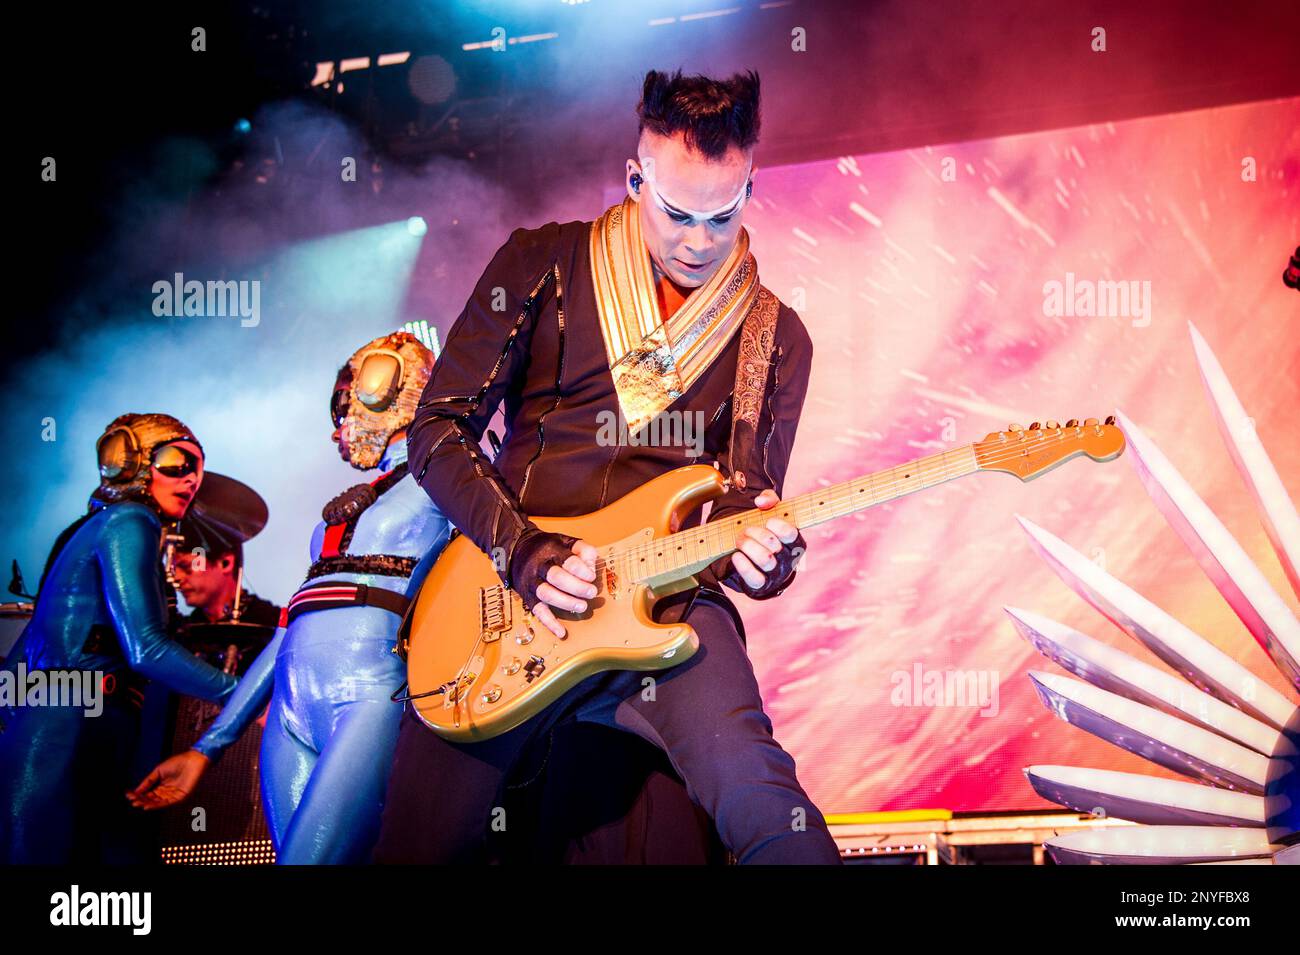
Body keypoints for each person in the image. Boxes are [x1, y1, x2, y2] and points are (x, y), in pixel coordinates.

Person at [375, 69, 841, 864]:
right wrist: (521, 552)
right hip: (504, 600)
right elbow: (438, 430)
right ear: (635, 178)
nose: (699, 241)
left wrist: (767, 559)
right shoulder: (542, 261)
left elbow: (742, 503)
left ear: (751, 186)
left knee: (764, 803)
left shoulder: (776, 335)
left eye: (724, 216)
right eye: (677, 212)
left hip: (665, 608)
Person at [128, 332, 454, 864]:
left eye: (343, 405)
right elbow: (286, 633)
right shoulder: (354, 509)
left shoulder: (443, 475)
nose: (336, 431)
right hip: (289, 710)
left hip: (367, 694)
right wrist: (205, 748)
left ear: (382, 385)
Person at [0, 413, 238, 863]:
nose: (191, 479)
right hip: (72, 730)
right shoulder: (131, 520)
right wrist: (245, 696)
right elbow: (146, 648)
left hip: (68, 723)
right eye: (176, 462)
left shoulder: (88, 530)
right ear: (130, 461)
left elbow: (20, 662)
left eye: (198, 470)